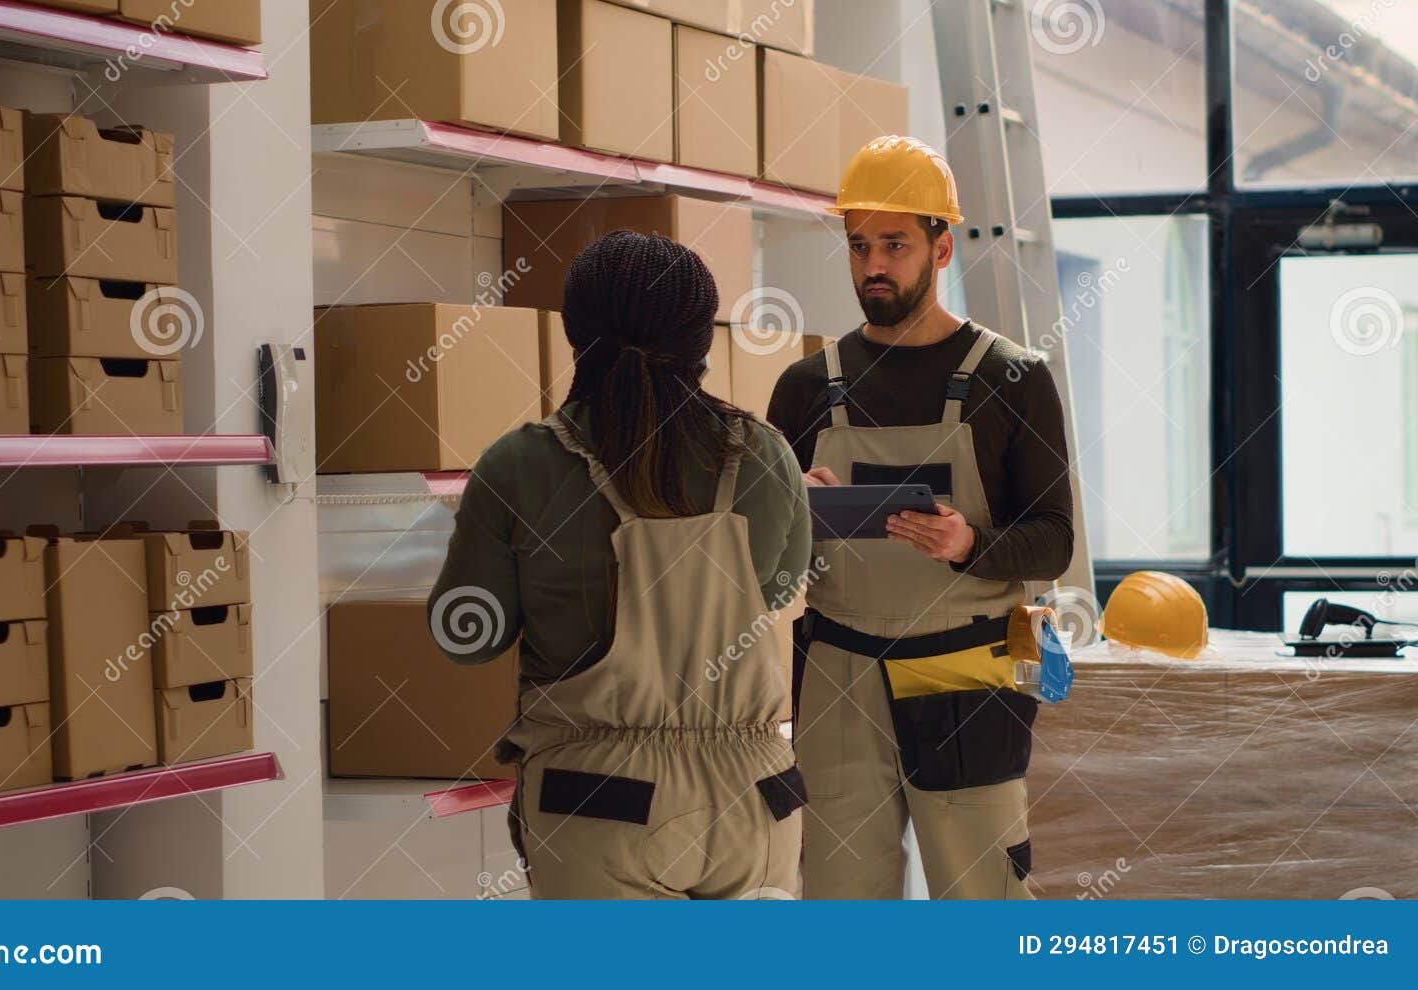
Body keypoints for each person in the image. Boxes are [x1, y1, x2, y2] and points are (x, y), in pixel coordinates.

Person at [428, 230, 812, 899]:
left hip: (601, 801)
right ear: (702, 341)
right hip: (756, 800)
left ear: (575, 335)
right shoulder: (765, 452)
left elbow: (468, 640)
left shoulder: (519, 464)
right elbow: (777, 590)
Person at [765, 136, 1076, 899]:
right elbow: (763, 560)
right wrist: (791, 509)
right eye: (859, 245)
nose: (873, 265)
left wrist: (970, 542)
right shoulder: (805, 386)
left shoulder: (1013, 378)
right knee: (841, 904)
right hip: (839, 671)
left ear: (941, 248)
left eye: (895, 244)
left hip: (969, 668)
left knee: (983, 900)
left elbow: (1054, 541)